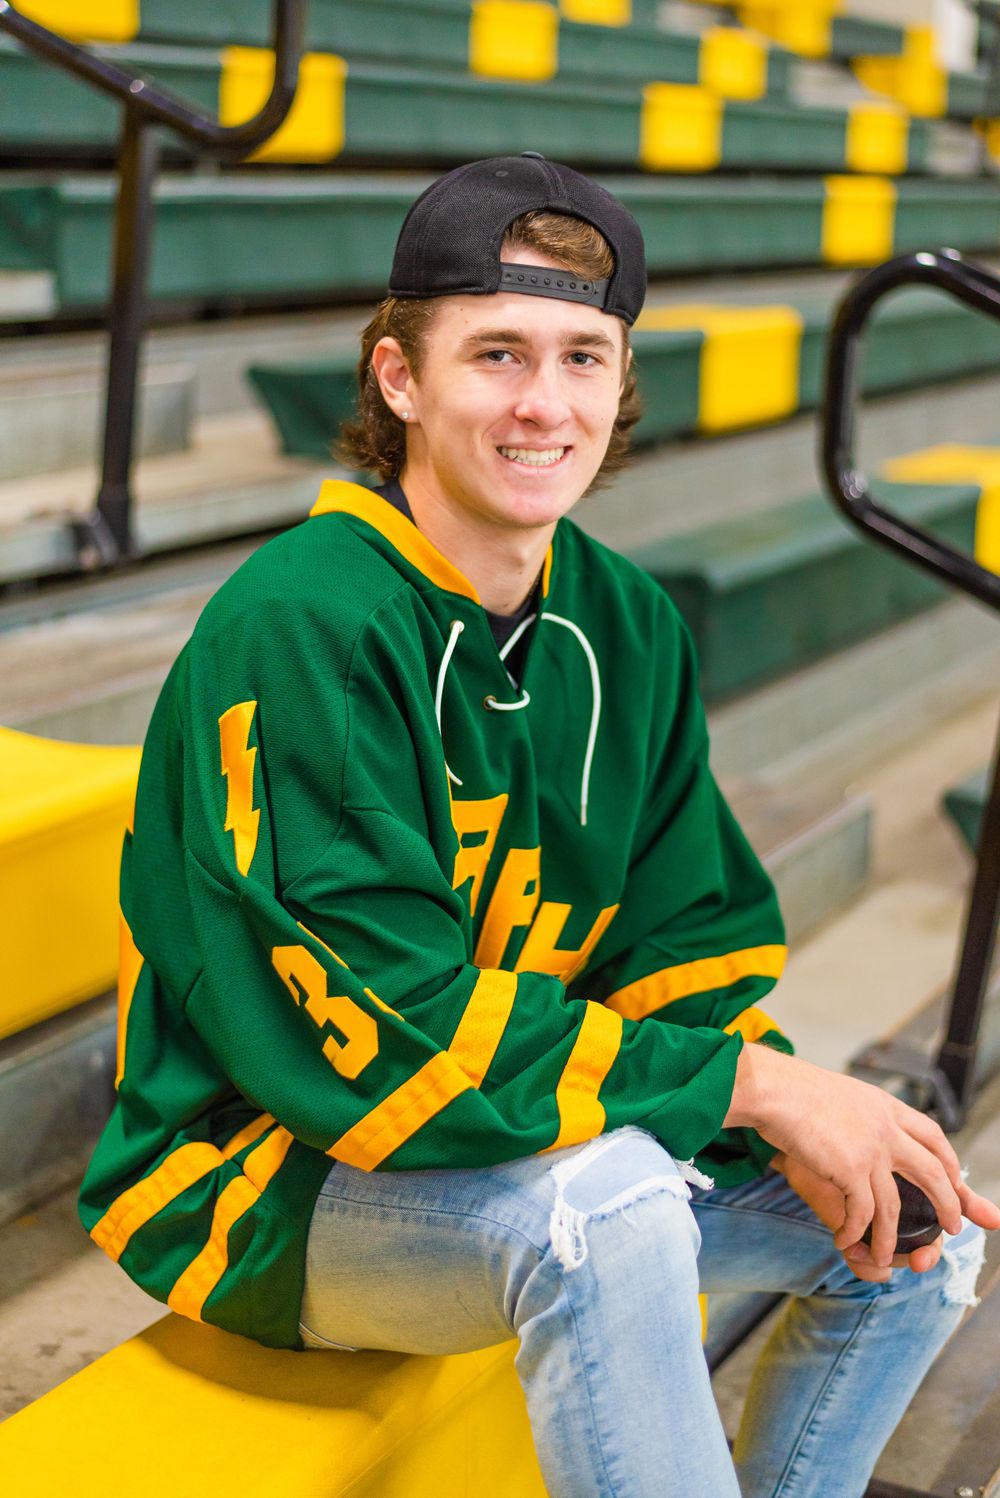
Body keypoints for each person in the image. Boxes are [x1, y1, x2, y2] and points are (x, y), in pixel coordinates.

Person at [79, 153, 999, 1497]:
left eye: (583, 356)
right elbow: (386, 1034)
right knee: (611, 1214)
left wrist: (792, 1102)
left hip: (528, 1128)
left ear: (621, 385)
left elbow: (690, 946)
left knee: (917, 1217)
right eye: (497, 353)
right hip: (272, 1170)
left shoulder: (620, 620)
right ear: (398, 379)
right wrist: (752, 1090)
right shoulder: (302, 625)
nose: (543, 403)